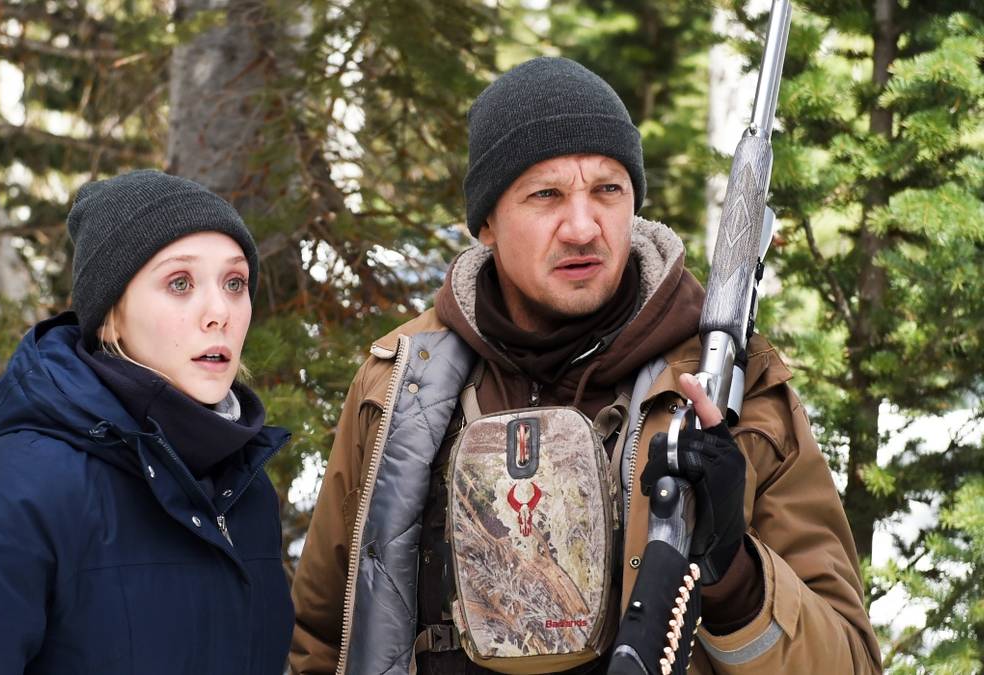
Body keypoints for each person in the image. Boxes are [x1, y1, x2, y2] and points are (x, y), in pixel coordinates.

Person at [289, 57, 881, 674]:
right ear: (487, 222)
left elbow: (850, 662)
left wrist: (734, 574)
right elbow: (319, 643)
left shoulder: (730, 387)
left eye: (607, 191)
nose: (581, 227)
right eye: (545, 195)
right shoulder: (399, 383)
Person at [0, 170, 294, 674]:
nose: (219, 312)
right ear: (110, 315)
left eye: (235, 283)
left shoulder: (245, 490)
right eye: (180, 283)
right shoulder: (24, 484)